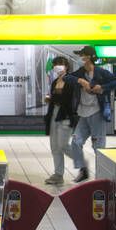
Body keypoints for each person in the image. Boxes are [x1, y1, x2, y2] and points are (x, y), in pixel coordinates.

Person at [67, 45, 116, 183]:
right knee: (75, 142)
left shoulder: (101, 73)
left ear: (90, 57)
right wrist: (80, 81)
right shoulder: (80, 72)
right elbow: (68, 78)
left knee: (98, 146)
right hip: (83, 113)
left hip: (97, 112)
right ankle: (83, 170)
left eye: (83, 55)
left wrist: (102, 88)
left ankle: (102, 176)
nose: (81, 58)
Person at [43, 56, 79, 185]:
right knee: (55, 147)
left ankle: (81, 162)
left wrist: (51, 99)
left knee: (63, 145)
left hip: (66, 116)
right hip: (54, 115)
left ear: (66, 66)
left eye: (60, 64)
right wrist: (50, 100)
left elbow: (69, 100)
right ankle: (58, 174)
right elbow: (54, 99)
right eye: (55, 64)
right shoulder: (54, 82)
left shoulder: (71, 81)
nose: (57, 66)